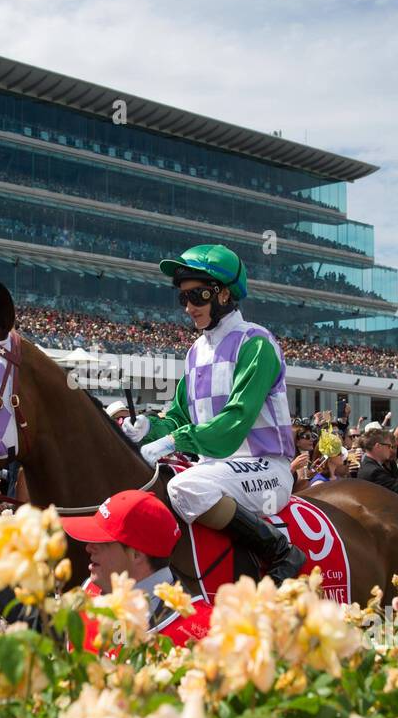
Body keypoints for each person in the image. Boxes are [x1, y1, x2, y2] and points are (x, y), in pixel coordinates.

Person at [122, 244, 304, 581]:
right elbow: (177, 417)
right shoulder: (195, 353)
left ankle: (280, 552)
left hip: (265, 468)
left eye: (198, 296)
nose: (189, 307)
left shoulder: (257, 343)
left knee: (184, 488)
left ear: (223, 295)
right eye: (183, 299)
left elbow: (235, 423)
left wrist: (175, 440)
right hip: (216, 470)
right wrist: (146, 428)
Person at [59, 489, 211, 646]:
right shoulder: (88, 592)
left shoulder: (205, 635)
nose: (88, 548)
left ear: (136, 555)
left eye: (102, 542)